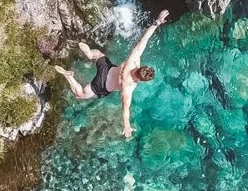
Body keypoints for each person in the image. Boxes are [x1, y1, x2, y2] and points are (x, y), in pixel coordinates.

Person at [54, 10, 169, 139]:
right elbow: (125, 107)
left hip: (106, 68)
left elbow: (144, 40)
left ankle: (90, 54)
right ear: (141, 80)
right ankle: (69, 77)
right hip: (101, 85)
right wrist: (126, 125)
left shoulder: (133, 60)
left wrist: (157, 22)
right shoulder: (129, 86)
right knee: (79, 95)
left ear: (142, 67)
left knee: (98, 54)